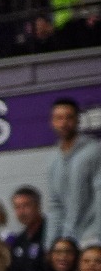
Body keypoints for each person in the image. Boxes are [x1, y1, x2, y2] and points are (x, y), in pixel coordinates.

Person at [46, 98, 99, 248]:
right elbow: (55, 204)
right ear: (52, 122)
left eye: (69, 117)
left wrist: (96, 235)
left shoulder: (94, 151)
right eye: (59, 118)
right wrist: (50, 244)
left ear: (77, 120)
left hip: (92, 238)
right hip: (67, 240)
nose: (63, 123)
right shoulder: (53, 159)